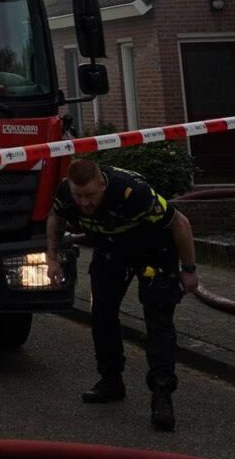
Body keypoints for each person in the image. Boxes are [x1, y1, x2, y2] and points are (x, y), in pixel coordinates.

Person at [47, 158, 199, 432]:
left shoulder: (133, 192)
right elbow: (55, 220)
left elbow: (181, 224)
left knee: (158, 321)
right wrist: (53, 259)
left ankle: (162, 397)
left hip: (154, 248)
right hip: (111, 249)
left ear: (102, 184)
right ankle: (110, 381)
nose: (84, 204)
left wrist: (188, 270)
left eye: (91, 196)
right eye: (78, 196)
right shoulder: (65, 193)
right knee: (102, 313)